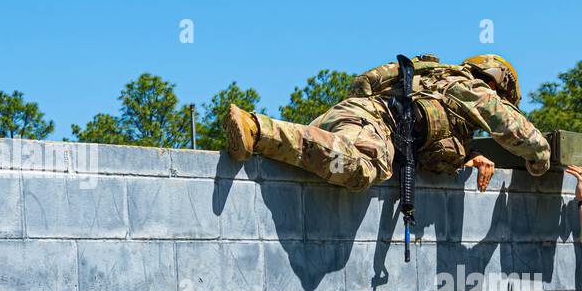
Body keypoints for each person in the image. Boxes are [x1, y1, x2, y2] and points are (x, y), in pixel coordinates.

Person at [221, 54, 550, 192]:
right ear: (496, 85)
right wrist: (539, 164)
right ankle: (258, 128)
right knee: (363, 169)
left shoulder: (431, 81)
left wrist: (467, 157)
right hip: (371, 125)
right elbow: (520, 133)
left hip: (349, 116)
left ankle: (265, 137)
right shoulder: (469, 88)